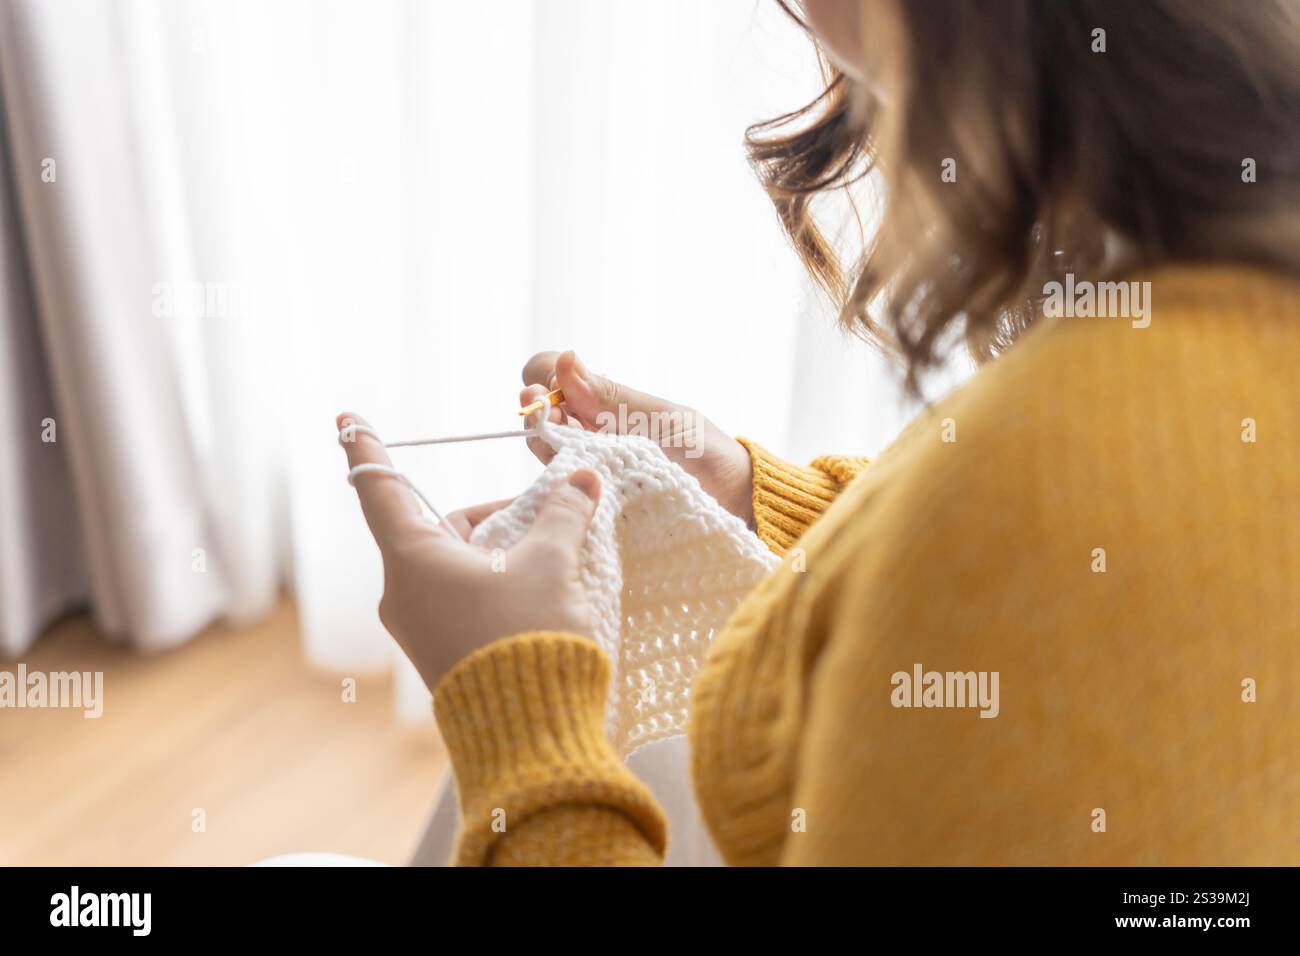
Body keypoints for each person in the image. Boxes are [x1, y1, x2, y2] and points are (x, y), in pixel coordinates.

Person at [339, 0, 1300, 865]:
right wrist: (749, 494)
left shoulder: (1050, 483)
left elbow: (1026, 572)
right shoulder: (1214, 338)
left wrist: (515, 710)